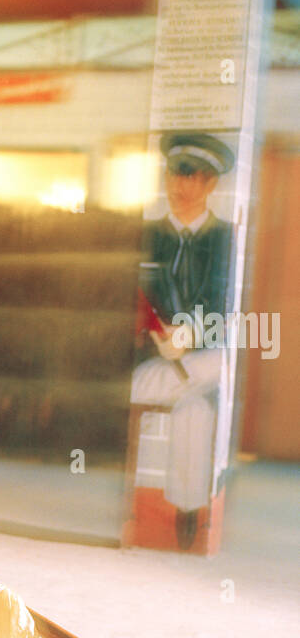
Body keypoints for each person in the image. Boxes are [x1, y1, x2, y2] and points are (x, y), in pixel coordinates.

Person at [131, 132, 236, 549]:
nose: (180, 185)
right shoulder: (145, 234)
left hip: (196, 355)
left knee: (199, 396)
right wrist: (154, 335)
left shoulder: (226, 239)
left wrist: (191, 333)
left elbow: (227, 307)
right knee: (208, 382)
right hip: (148, 363)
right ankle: (190, 508)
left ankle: (187, 507)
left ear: (210, 184)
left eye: (193, 177)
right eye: (176, 174)